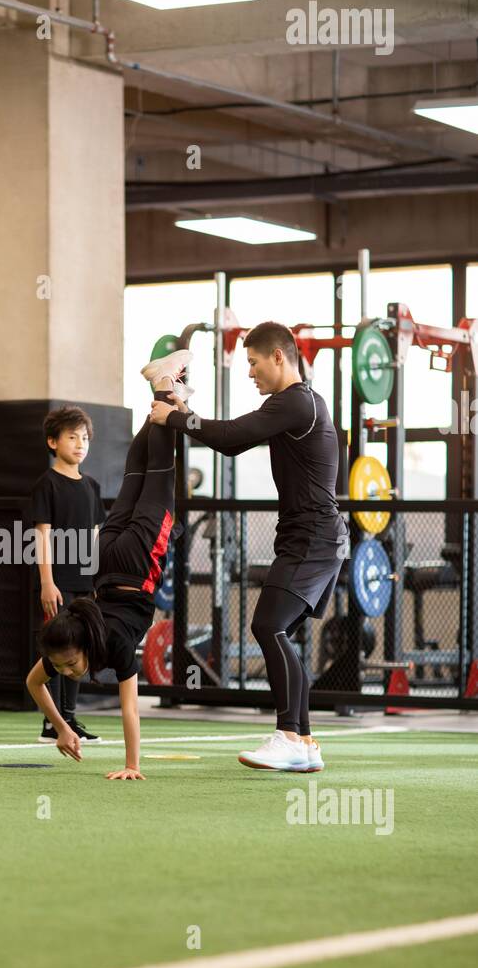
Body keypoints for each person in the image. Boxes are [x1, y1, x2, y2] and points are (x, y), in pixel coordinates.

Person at [150, 322, 347, 773]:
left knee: (268, 626)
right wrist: (185, 408)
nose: (250, 373)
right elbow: (233, 446)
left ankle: (288, 736)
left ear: (279, 357)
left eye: (254, 363)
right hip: (313, 537)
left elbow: (231, 435)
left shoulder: (295, 401)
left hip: (313, 537)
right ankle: (306, 742)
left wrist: (174, 416)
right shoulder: (301, 403)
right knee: (278, 632)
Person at [25, 354, 190, 781]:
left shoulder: (112, 641)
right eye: (62, 667)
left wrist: (132, 766)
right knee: (135, 472)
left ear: (79, 644)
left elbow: (131, 707)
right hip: (107, 560)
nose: (64, 670)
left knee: (158, 474)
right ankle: (165, 396)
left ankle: (165, 394)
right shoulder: (68, 639)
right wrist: (60, 727)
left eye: (66, 664)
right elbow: (34, 682)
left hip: (135, 565)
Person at [28, 405, 106, 745]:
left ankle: (70, 719)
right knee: (58, 648)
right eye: (72, 437)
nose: (80, 443)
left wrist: (97, 581)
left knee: (80, 647)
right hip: (56, 582)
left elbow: (94, 537)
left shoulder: (91, 485)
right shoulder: (47, 484)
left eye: (85, 437)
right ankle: (52, 723)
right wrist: (47, 581)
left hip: (84, 584)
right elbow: (41, 534)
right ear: (52, 441)